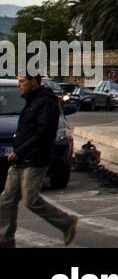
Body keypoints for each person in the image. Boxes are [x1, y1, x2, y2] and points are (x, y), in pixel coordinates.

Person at [0, 69, 77, 247]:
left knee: (31, 200)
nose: (19, 85)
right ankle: (5, 241)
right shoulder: (31, 100)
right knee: (6, 200)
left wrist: (21, 151)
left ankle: (66, 222)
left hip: (35, 159)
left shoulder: (46, 102)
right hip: (20, 160)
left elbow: (44, 132)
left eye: (22, 81)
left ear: (34, 82)